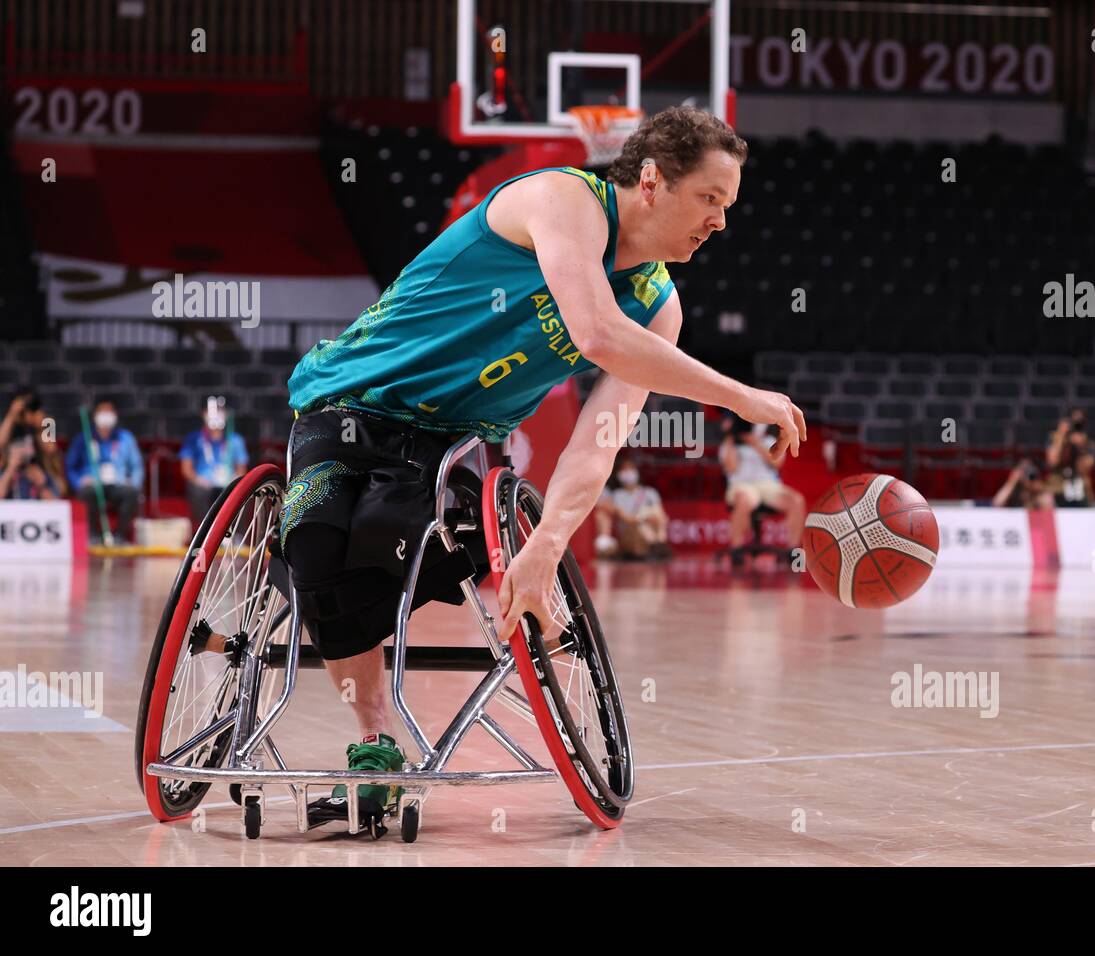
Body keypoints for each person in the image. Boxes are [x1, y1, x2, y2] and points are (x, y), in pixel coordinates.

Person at [221, 106, 804, 825]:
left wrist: (544, 550)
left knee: (389, 547)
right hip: (353, 397)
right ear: (651, 180)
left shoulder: (657, 307)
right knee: (314, 538)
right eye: (710, 199)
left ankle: (375, 730)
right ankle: (372, 741)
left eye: (728, 205)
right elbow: (594, 334)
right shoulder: (563, 200)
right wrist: (744, 396)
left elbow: (599, 439)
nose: (720, 222)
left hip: (453, 439)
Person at [719, 416, 806, 565]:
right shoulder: (728, 445)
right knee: (745, 499)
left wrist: (754, 442)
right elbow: (731, 467)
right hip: (741, 485)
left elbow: (777, 462)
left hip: (768, 486)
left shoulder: (768, 442)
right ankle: (737, 549)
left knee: (796, 501)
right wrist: (730, 436)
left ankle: (793, 552)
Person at [65, 399, 145, 543]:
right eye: (103, 411)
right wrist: (79, 481)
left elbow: (137, 466)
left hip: (118, 483)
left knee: (132, 493)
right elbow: (71, 466)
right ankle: (93, 535)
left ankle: (120, 536)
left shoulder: (126, 438)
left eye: (110, 412)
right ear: (95, 415)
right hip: (93, 483)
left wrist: (133, 482)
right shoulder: (84, 437)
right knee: (85, 492)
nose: (106, 416)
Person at [179, 397, 250, 526]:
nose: (215, 415)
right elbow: (186, 468)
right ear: (203, 414)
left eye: (220, 410)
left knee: (242, 490)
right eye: (211, 411)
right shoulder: (193, 439)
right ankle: (204, 530)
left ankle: (235, 534)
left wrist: (234, 479)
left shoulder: (236, 440)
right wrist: (197, 480)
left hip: (228, 482)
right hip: (203, 483)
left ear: (226, 414)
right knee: (197, 491)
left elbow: (241, 468)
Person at [594, 453, 672, 559]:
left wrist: (654, 519)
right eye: (624, 469)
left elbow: (662, 518)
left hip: (652, 531)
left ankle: (656, 544)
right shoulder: (615, 495)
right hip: (629, 532)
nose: (628, 472)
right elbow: (601, 505)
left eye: (631, 468)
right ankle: (652, 546)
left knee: (655, 513)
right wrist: (625, 514)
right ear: (618, 473)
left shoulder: (650, 492)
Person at [1045, 408, 1095, 507]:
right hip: (1057, 487)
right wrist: (1061, 437)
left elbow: (1084, 469)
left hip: (1080, 489)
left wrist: (1081, 448)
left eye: (1080, 423)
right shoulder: (1054, 437)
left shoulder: (1089, 444)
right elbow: (1052, 462)